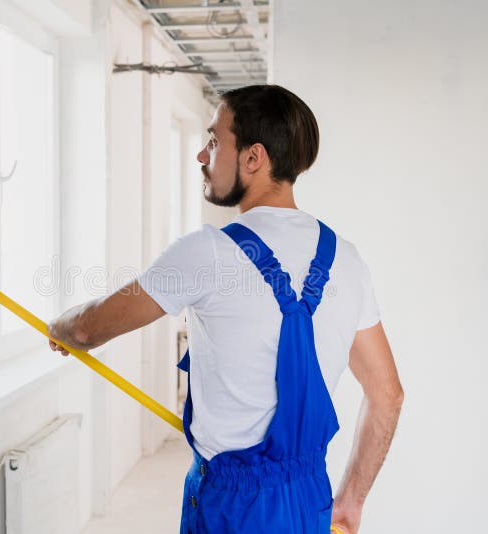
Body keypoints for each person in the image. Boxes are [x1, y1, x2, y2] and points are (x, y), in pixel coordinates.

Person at [48, 84, 403, 534]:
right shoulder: (346, 259)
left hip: (233, 507)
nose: (202, 155)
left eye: (215, 141)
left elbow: (88, 329)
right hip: (310, 497)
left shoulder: (206, 252)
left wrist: (58, 325)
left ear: (254, 158)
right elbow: (388, 394)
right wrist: (350, 501)